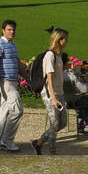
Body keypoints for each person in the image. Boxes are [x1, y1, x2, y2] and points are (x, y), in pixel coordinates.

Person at [0, 19, 26, 152]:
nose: (12, 32)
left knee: (5, 112)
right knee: (17, 110)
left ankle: (0, 141)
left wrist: (28, 78)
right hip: (5, 82)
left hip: (13, 82)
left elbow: (18, 63)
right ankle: (7, 140)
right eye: (9, 29)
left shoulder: (13, 45)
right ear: (3, 30)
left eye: (13, 29)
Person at [32, 28, 69, 156]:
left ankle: (39, 142)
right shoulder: (50, 55)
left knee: (63, 122)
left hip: (59, 92)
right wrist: (53, 98)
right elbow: (49, 78)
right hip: (50, 93)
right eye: (65, 39)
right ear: (59, 40)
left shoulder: (58, 56)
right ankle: (52, 153)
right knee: (54, 124)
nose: (67, 42)